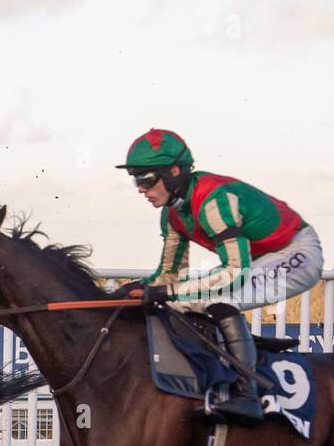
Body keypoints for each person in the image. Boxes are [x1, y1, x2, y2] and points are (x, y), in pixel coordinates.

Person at [116, 129, 323, 422]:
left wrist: (167, 292)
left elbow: (235, 273)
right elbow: (169, 276)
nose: (139, 188)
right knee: (184, 297)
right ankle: (236, 356)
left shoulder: (214, 201)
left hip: (297, 252)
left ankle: (246, 394)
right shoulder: (172, 213)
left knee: (216, 294)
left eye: (145, 179)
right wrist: (134, 290)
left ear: (174, 172)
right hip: (264, 258)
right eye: (135, 179)